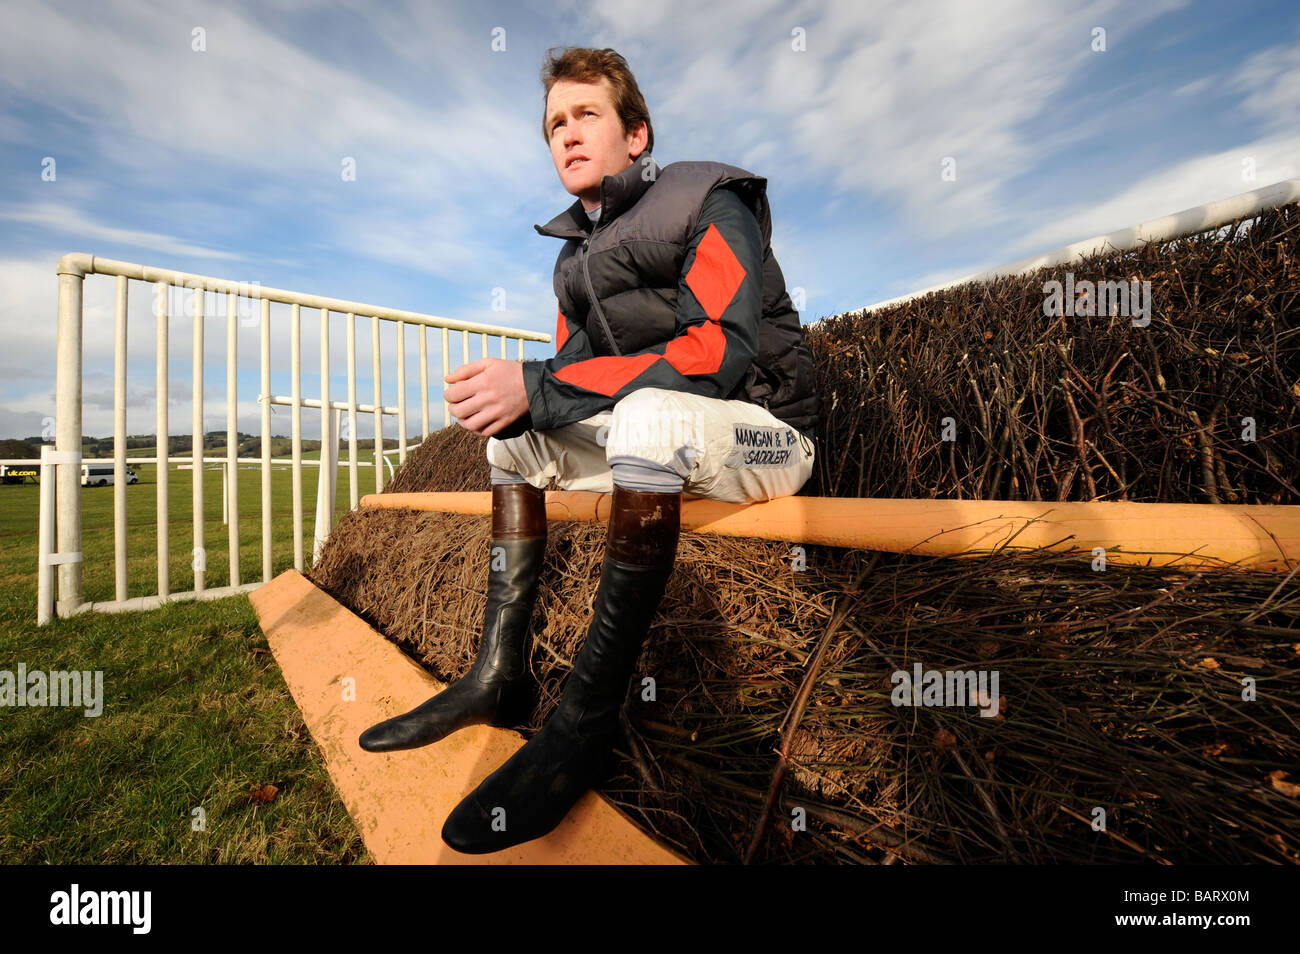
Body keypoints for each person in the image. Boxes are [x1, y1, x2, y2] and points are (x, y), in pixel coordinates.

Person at [358, 46, 820, 854]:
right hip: (672, 439)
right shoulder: (572, 259)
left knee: (641, 417)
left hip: (765, 429)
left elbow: (722, 350)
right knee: (512, 447)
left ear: (636, 134)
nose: (566, 135)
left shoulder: (711, 198)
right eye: (552, 126)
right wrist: (523, 401)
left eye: (586, 116)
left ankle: (586, 718)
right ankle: (498, 675)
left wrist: (540, 384)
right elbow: (576, 376)